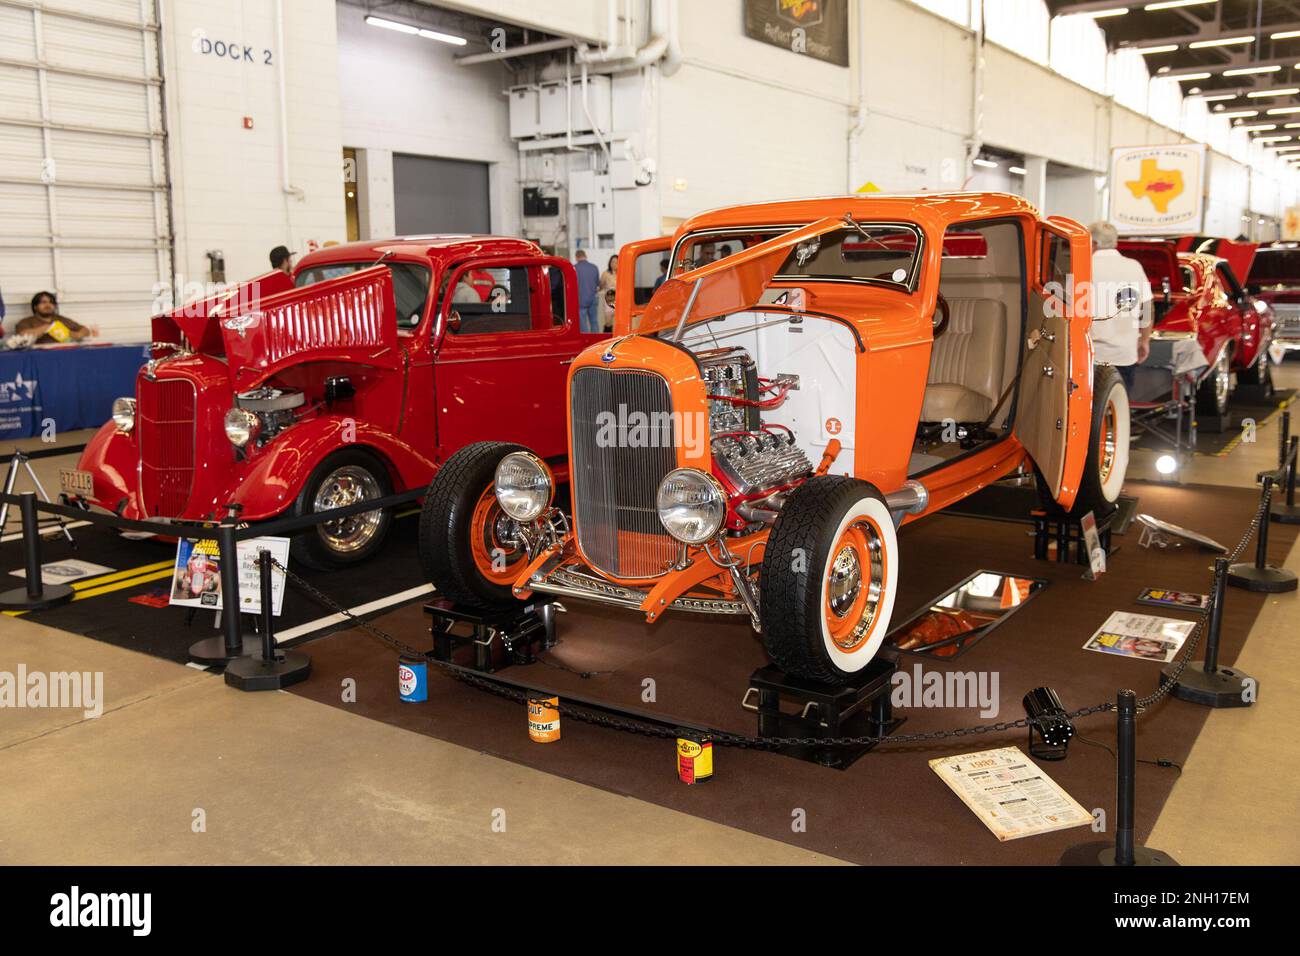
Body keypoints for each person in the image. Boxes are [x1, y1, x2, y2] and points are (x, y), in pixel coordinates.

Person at [1087, 221, 1152, 392]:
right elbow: (1147, 307)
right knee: (1118, 408)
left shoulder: (1084, 266)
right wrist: (1144, 340)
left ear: (1093, 243)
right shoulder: (1134, 266)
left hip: (1092, 356)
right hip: (1125, 354)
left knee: (1090, 412)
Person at [16, 291, 94, 343]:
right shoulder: (26, 322)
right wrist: (47, 328)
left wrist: (79, 334)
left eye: (51, 303)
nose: (48, 305)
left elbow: (85, 330)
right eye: (43, 302)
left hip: (64, 354)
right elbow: (21, 336)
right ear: (35, 307)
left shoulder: (61, 319)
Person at [574, 250, 600, 333]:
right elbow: (597, 284)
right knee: (594, 321)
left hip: (580, 300)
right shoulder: (594, 267)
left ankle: (586, 343)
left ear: (576, 257)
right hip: (593, 298)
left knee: (583, 324)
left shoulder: (574, 268)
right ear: (585, 256)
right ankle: (596, 341)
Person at [597, 255, 618, 330]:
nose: (614, 264)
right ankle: (607, 339)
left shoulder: (622, 273)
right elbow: (601, 287)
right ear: (610, 263)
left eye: (616, 262)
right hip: (609, 298)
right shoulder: (605, 273)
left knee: (619, 323)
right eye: (613, 262)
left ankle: (619, 339)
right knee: (608, 321)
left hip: (620, 299)